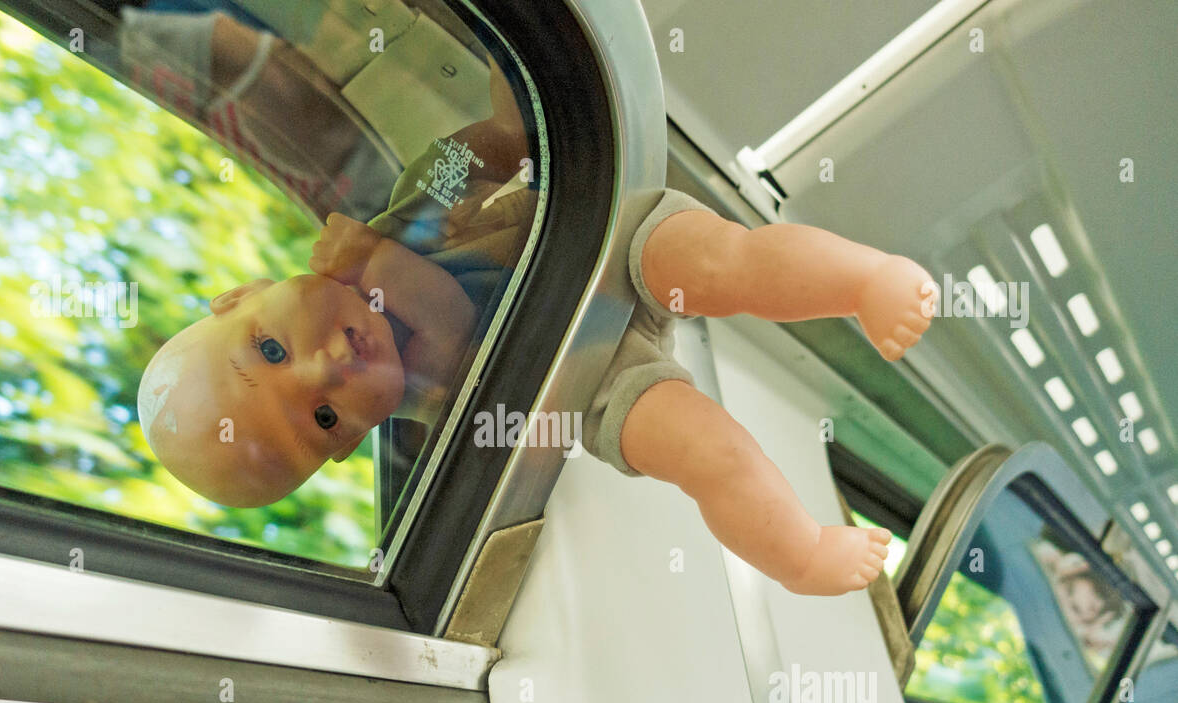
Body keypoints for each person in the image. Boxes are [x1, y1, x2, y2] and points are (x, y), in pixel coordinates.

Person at [132, 10, 936, 595]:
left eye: (272, 351)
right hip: (593, 377)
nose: (329, 366)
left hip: (596, 241)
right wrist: (376, 257)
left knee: (729, 260)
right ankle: (797, 552)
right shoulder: (421, 392)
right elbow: (449, 319)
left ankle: (862, 284)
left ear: (244, 295)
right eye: (322, 420)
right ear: (347, 447)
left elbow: (489, 144)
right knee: (705, 452)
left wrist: (514, 103)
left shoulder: (404, 213)